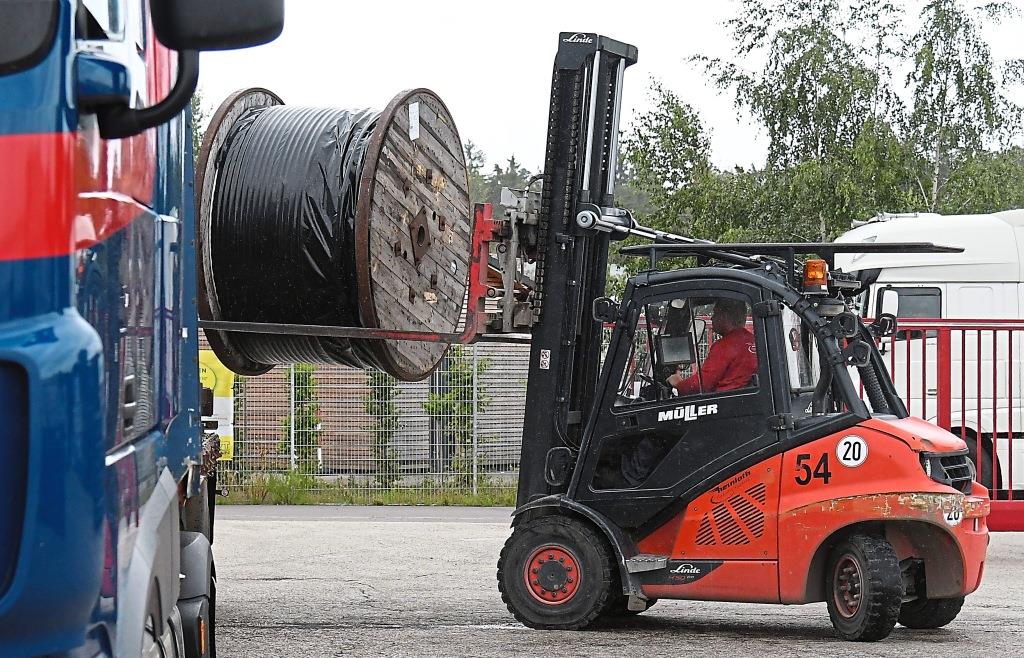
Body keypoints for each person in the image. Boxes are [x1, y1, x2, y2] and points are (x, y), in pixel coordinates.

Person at [667, 297, 757, 395]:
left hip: (725, 404)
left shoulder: (725, 345)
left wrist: (678, 383)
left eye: (715, 313)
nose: (712, 318)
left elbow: (702, 384)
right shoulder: (755, 341)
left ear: (724, 316)